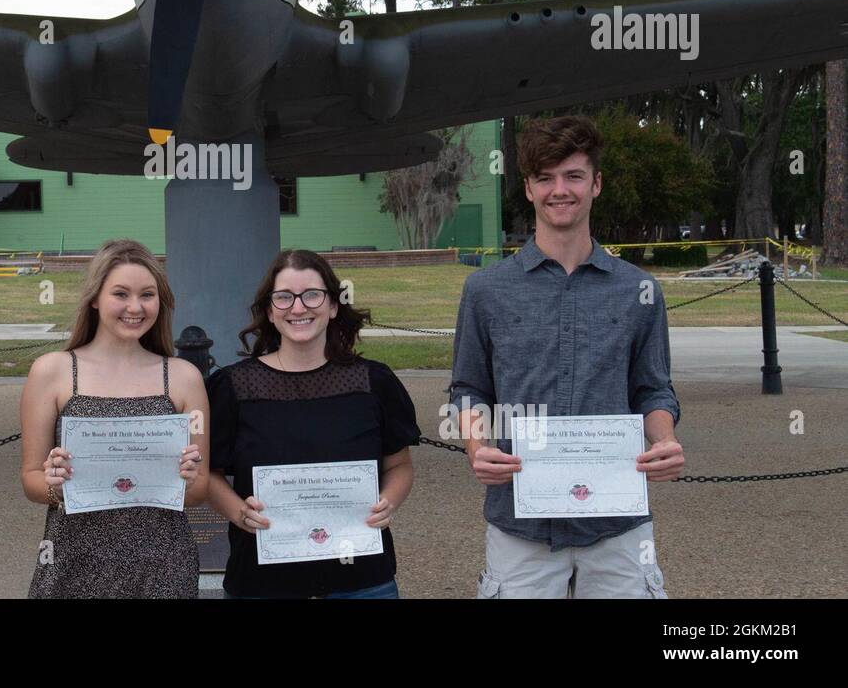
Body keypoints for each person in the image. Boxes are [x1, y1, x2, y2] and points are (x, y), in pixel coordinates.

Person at [450, 114, 685, 599]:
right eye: (545, 178)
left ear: (596, 184)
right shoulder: (486, 290)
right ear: (530, 190)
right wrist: (477, 448)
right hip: (520, 521)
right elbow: (468, 389)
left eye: (574, 175)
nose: (561, 190)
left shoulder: (638, 289)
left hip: (617, 522)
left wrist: (663, 439)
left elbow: (653, 388)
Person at [205, 248, 420, 598]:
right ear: (270, 311)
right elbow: (209, 474)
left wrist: (388, 502)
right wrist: (238, 512)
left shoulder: (373, 382)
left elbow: (399, 466)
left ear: (333, 306)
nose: (299, 307)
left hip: (361, 579)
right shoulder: (232, 387)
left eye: (312, 295)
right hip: (263, 581)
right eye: (284, 297)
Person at [20, 238, 209, 598]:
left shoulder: (185, 378)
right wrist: (55, 486)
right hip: (73, 560)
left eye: (147, 295)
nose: (135, 307)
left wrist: (186, 478)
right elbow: (30, 479)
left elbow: (198, 492)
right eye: (120, 294)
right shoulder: (53, 371)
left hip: (162, 564)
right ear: (94, 298)